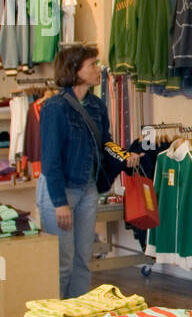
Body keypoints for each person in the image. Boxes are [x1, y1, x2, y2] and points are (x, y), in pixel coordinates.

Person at [36, 43, 139, 298]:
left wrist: (123, 156)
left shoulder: (96, 105)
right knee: (63, 260)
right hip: (59, 191)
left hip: (87, 189)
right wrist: (60, 203)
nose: (98, 69)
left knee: (83, 258)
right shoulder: (55, 108)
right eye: (92, 64)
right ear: (74, 70)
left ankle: (76, 315)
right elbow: (50, 159)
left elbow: (105, 142)